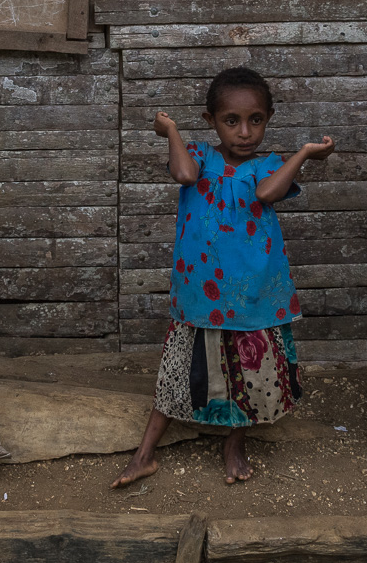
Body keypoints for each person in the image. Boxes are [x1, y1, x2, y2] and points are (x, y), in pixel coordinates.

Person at [111, 67, 333, 487]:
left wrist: (302, 154)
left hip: (252, 294)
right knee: (175, 373)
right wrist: (172, 130)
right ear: (210, 119)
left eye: (256, 120)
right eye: (231, 121)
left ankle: (235, 443)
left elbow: (268, 194)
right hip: (201, 294)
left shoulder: (269, 165)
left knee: (250, 375)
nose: (245, 132)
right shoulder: (199, 156)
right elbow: (183, 175)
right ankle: (144, 455)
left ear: (269, 118)